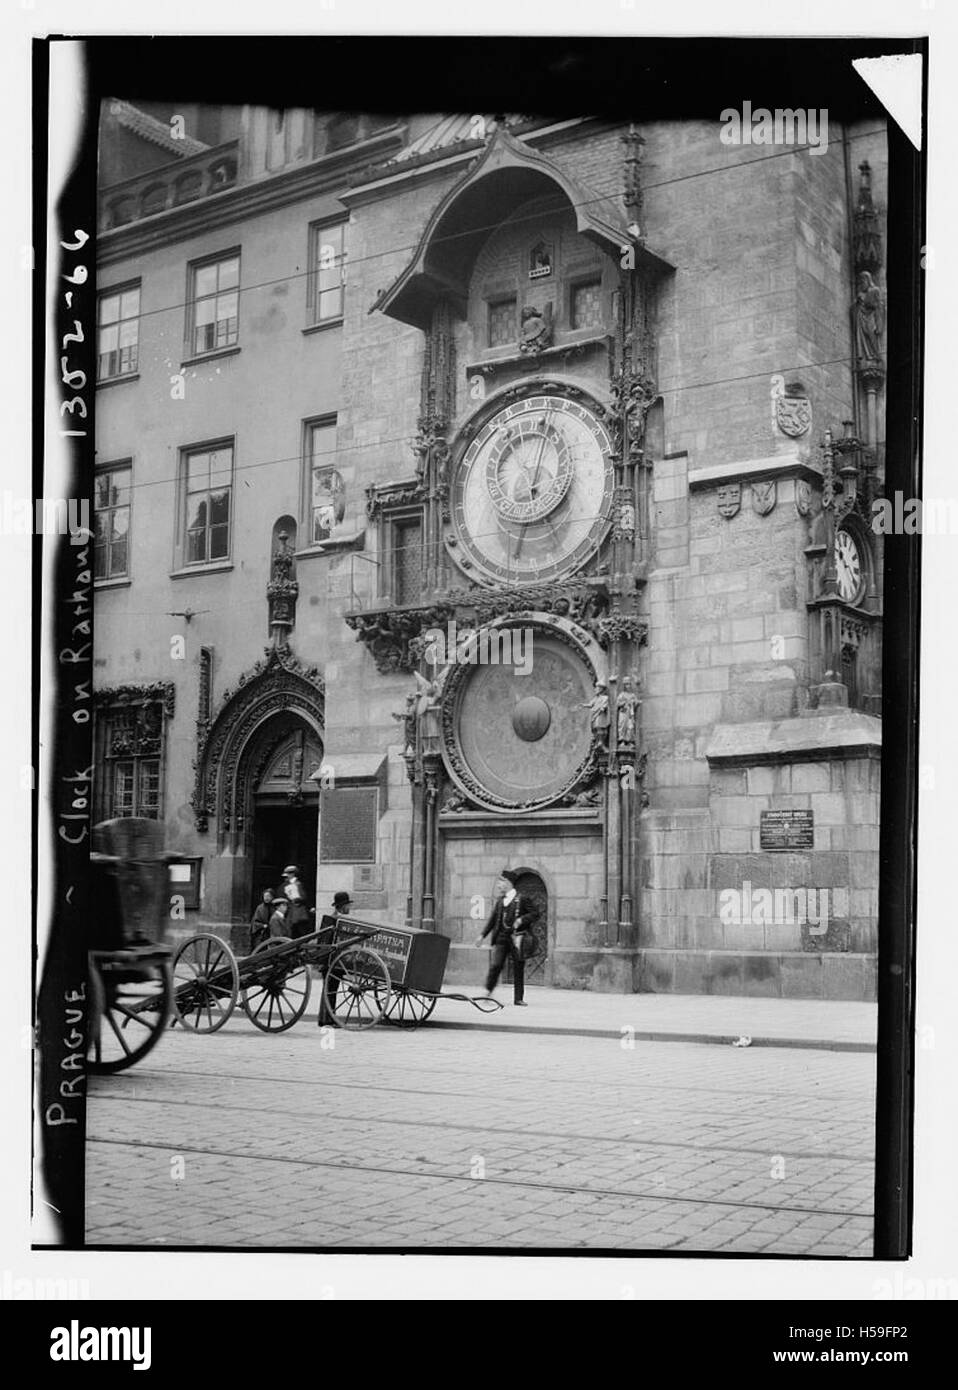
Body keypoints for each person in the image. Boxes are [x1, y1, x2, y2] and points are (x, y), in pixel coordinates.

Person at [475, 869, 539, 1006]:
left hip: (517, 938)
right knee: (496, 965)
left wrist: (521, 920)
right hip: (502, 938)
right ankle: (487, 993)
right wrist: (482, 935)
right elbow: (492, 920)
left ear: (509, 883)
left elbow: (535, 913)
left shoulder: (522, 899)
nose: (499, 885)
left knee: (518, 967)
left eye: (501, 881)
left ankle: (518, 998)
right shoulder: (500, 901)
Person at [319, 889, 354, 1027]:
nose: (349, 908)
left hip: (338, 962)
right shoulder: (333, 920)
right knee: (329, 990)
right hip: (330, 962)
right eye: (348, 906)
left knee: (331, 990)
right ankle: (326, 1019)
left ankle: (327, 1018)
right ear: (342, 906)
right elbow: (325, 942)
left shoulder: (341, 919)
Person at [280, 864, 313, 939]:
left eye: (288, 875)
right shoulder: (284, 886)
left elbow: (306, 897)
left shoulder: (300, 884)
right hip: (290, 913)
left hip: (299, 913)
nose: (286, 877)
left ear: (292, 874)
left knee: (300, 932)